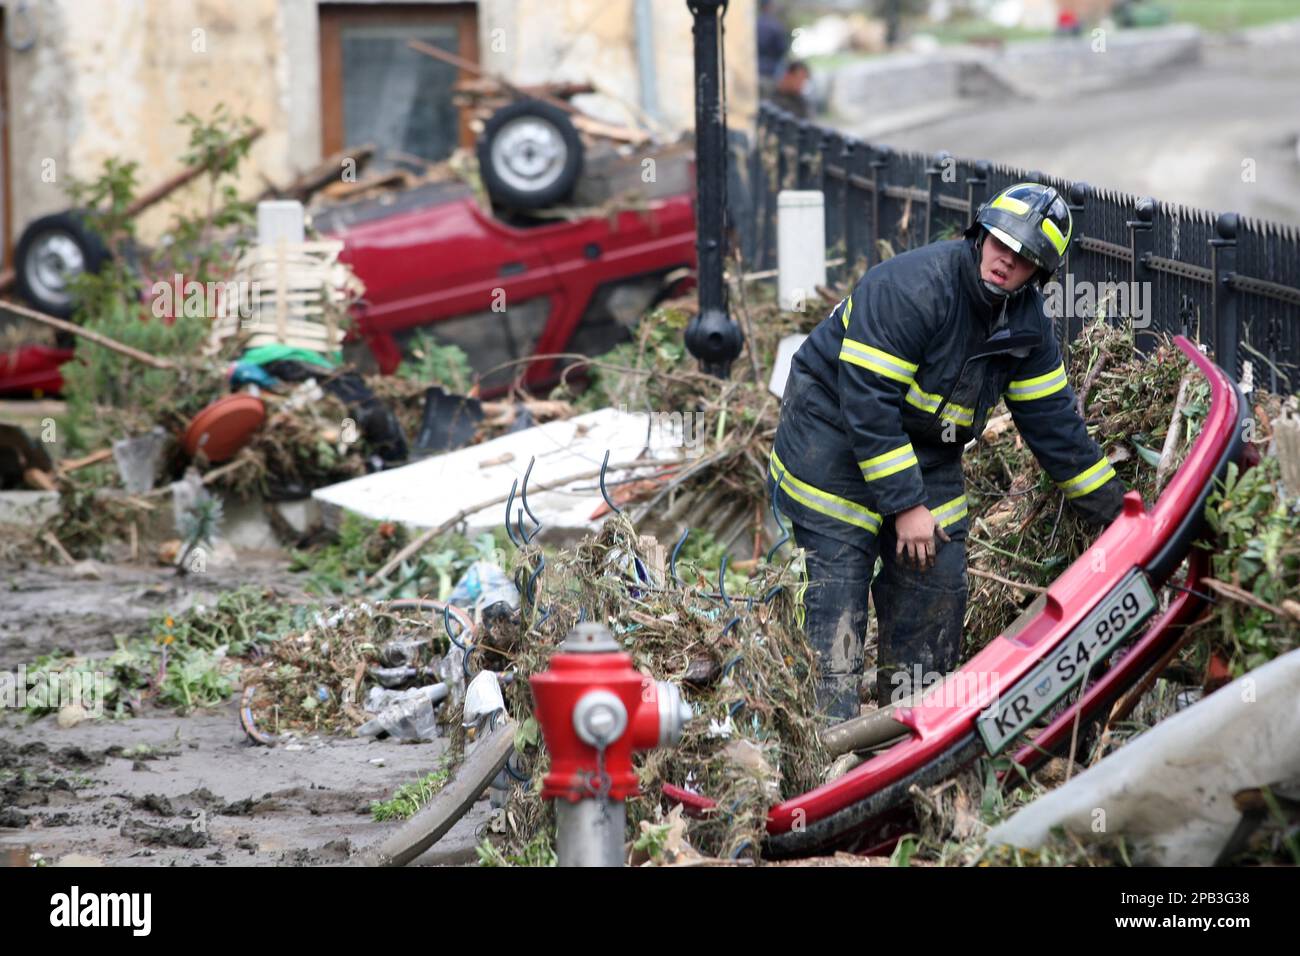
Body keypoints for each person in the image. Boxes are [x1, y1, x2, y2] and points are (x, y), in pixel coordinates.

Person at [768, 183, 1125, 721]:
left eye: (1025, 256)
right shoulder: (911, 288)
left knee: (936, 586)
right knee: (836, 590)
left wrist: (1121, 517)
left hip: (928, 450)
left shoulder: (1026, 330)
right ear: (980, 234)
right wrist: (906, 505)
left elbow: (1057, 432)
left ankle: (910, 738)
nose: (1007, 260)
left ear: (1040, 274)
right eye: (1001, 243)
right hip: (832, 435)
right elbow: (867, 402)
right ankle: (825, 750)